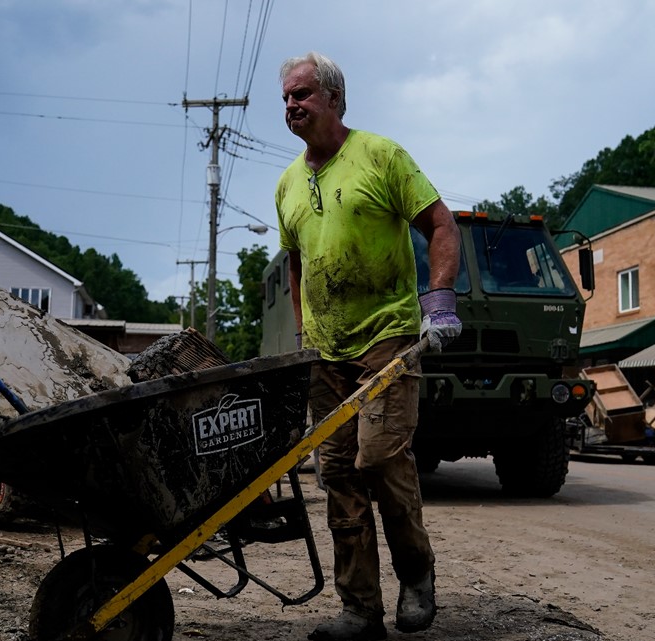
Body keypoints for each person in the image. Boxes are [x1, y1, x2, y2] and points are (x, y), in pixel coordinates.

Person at [275, 52, 462, 641]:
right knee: (339, 480)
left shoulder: (380, 155)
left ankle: (416, 575)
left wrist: (439, 302)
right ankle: (359, 609)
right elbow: (298, 264)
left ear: (333, 97)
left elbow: (441, 225)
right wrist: (306, 334)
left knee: (380, 460)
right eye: (285, 98)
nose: (291, 106)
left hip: (387, 339)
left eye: (302, 94)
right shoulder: (287, 184)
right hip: (325, 357)